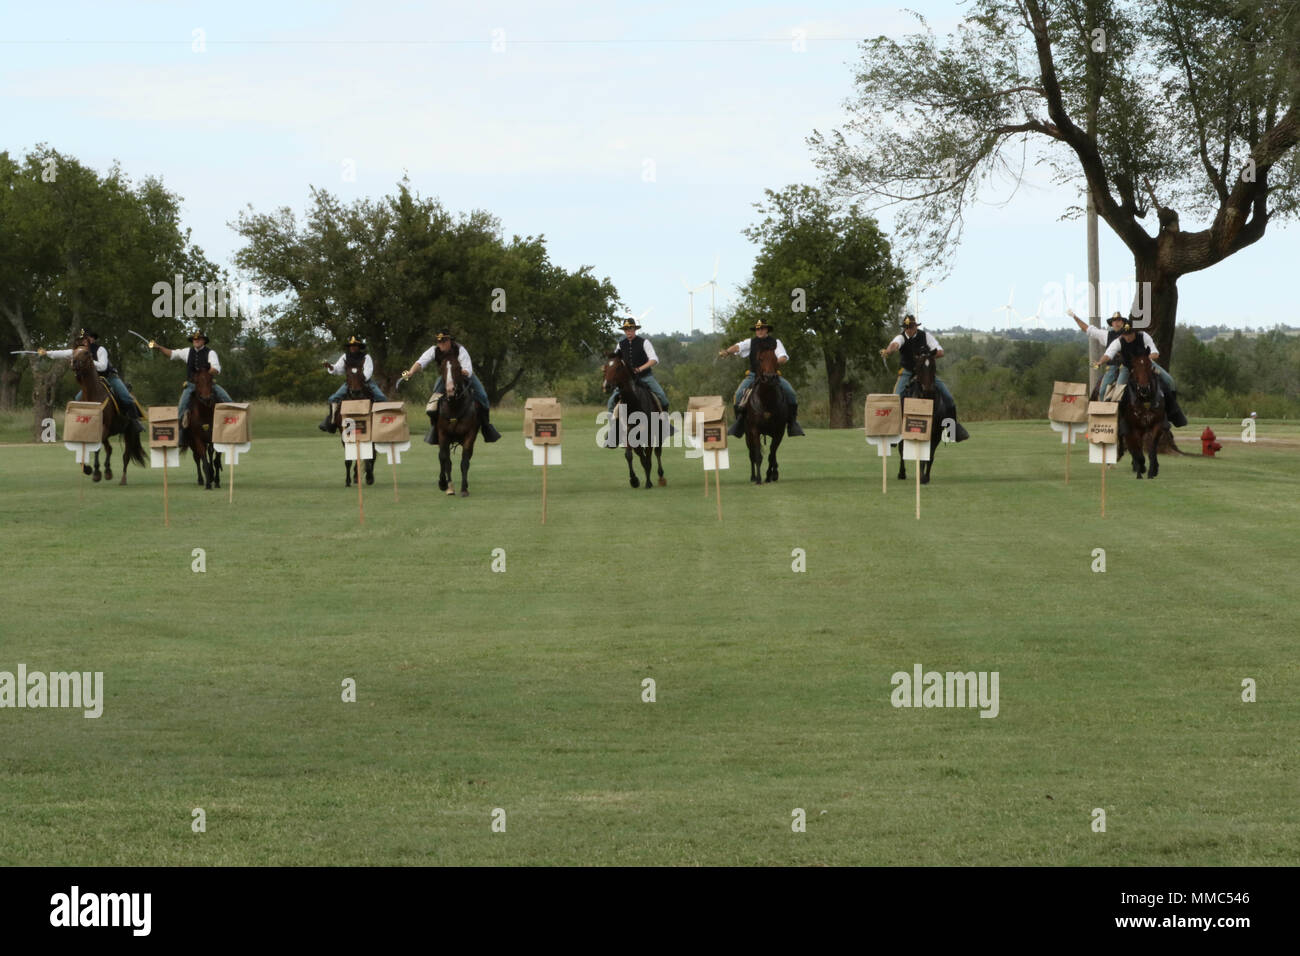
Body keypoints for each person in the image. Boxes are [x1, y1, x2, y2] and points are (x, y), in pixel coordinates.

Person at [401, 330, 501, 442]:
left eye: (444, 341)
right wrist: (411, 372)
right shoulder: (434, 350)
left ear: (449, 340)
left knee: (483, 396)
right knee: (432, 404)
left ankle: (486, 427)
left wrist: (456, 372)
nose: (441, 344)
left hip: (463, 375)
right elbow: (420, 362)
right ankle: (434, 428)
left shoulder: (460, 349)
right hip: (445, 377)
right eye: (439, 342)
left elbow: (467, 370)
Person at [880, 314, 968, 440]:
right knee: (896, 398)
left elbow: (940, 352)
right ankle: (893, 432)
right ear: (905, 328)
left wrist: (926, 357)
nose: (909, 330)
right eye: (907, 327)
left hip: (925, 372)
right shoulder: (901, 337)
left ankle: (952, 429)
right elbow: (894, 345)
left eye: (911, 327)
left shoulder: (926, 336)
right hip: (907, 371)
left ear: (916, 326)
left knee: (948, 397)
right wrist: (888, 351)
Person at [41, 328, 144, 431]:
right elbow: (63, 353)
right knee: (78, 399)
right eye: (82, 339)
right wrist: (46, 353)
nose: (83, 341)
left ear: (92, 339)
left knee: (125, 397)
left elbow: (103, 367)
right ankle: (80, 424)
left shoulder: (100, 350)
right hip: (95, 382)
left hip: (110, 377)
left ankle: (135, 422)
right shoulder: (79, 351)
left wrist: (89, 361)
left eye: (86, 338)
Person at [718, 320, 804, 437]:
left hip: (773, 376)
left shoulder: (775, 342)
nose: (759, 331)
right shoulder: (751, 342)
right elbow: (738, 347)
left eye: (762, 328)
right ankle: (739, 423)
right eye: (757, 329)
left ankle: (792, 423)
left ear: (767, 329)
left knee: (791, 393)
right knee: (738, 395)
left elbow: (783, 357)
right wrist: (727, 351)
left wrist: (772, 364)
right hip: (754, 376)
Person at [149, 329, 233, 449]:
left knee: (228, 401)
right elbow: (172, 353)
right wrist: (159, 347)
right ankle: (181, 438)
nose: (196, 341)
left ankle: (230, 432)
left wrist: (204, 377)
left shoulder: (211, 353)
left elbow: (215, 369)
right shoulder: (187, 352)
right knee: (181, 409)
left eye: (199, 339)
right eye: (194, 339)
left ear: (203, 341)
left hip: (207, 384)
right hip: (191, 385)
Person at [1096, 320, 1188, 426]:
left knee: (1170, 381)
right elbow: (1108, 354)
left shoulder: (1143, 336)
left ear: (1134, 332)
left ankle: (1172, 412)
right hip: (1127, 367)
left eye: (1130, 334)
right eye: (1125, 334)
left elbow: (1155, 353)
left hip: (1146, 364)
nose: (1127, 337)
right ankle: (1118, 419)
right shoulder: (1118, 341)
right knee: (1118, 392)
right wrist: (1100, 362)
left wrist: (1143, 362)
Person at [318, 334, 388, 432]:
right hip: (350, 382)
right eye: (351, 346)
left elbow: (368, 371)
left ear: (359, 347)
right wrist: (330, 367)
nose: (353, 347)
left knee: (382, 398)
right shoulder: (345, 356)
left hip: (365, 381)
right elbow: (338, 369)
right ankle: (331, 421)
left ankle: (383, 423)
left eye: (355, 345)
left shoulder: (366, 357)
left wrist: (359, 381)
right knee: (333, 398)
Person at [606, 318, 670, 413]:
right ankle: (613, 422)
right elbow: (616, 361)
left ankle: (664, 418)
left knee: (663, 398)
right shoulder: (620, 345)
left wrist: (639, 369)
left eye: (630, 329)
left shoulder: (644, 342)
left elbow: (654, 359)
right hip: (627, 381)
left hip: (645, 377)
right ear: (624, 331)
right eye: (626, 329)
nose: (628, 331)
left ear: (635, 329)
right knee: (610, 403)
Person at [1070, 309, 1127, 397]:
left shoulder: (1130, 334)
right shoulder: (1106, 335)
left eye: (1119, 320)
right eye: (1114, 321)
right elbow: (1087, 329)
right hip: (1112, 368)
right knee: (1102, 391)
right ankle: (1102, 404)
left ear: (1123, 322)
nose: (1117, 323)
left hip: (1128, 366)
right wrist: (1075, 317)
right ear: (1112, 324)